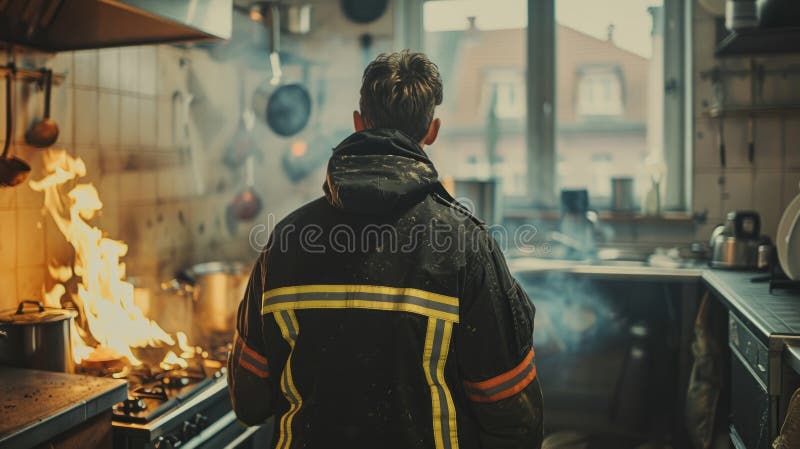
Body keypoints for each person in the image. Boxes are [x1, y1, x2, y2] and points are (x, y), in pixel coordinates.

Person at [228, 50, 543, 449]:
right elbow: (513, 416)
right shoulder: (466, 245)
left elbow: (249, 403)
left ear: (359, 123)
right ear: (432, 130)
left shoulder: (285, 241)